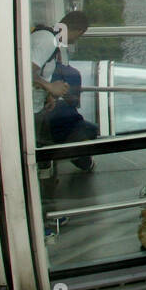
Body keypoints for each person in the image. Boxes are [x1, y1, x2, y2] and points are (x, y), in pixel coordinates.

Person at [31, 11, 97, 172]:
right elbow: (22, 70)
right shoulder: (48, 42)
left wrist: (48, 96)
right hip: (31, 108)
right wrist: (50, 87)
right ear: (79, 31)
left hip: (37, 105)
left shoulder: (49, 39)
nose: (75, 40)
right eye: (79, 36)